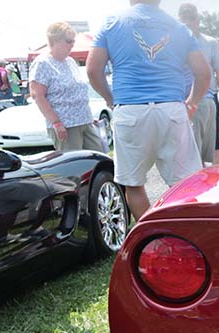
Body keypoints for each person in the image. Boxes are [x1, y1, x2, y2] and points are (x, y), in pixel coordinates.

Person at [87, 0, 211, 221]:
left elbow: (93, 70)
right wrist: (192, 102)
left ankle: (154, 239)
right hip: (171, 108)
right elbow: (203, 73)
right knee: (185, 183)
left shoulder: (112, 22)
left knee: (133, 184)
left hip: (130, 108)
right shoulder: (178, 27)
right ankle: (184, 235)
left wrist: (110, 98)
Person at [30, 22, 106, 152]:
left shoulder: (70, 62)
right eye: (68, 41)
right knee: (74, 166)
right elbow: (37, 95)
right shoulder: (42, 63)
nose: (72, 44)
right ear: (55, 40)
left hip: (85, 121)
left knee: (98, 159)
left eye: (73, 41)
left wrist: (84, 115)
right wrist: (56, 122)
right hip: (65, 126)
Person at [178, 3, 219, 165]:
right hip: (184, 100)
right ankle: (201, 184)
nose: (188, 24)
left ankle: (215, 182)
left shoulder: (209, 42)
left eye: (191, 20)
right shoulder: (175, 43)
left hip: (207, 99)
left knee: (216, 147)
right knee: (192, 151)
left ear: (197, 20)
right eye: (184, 21)